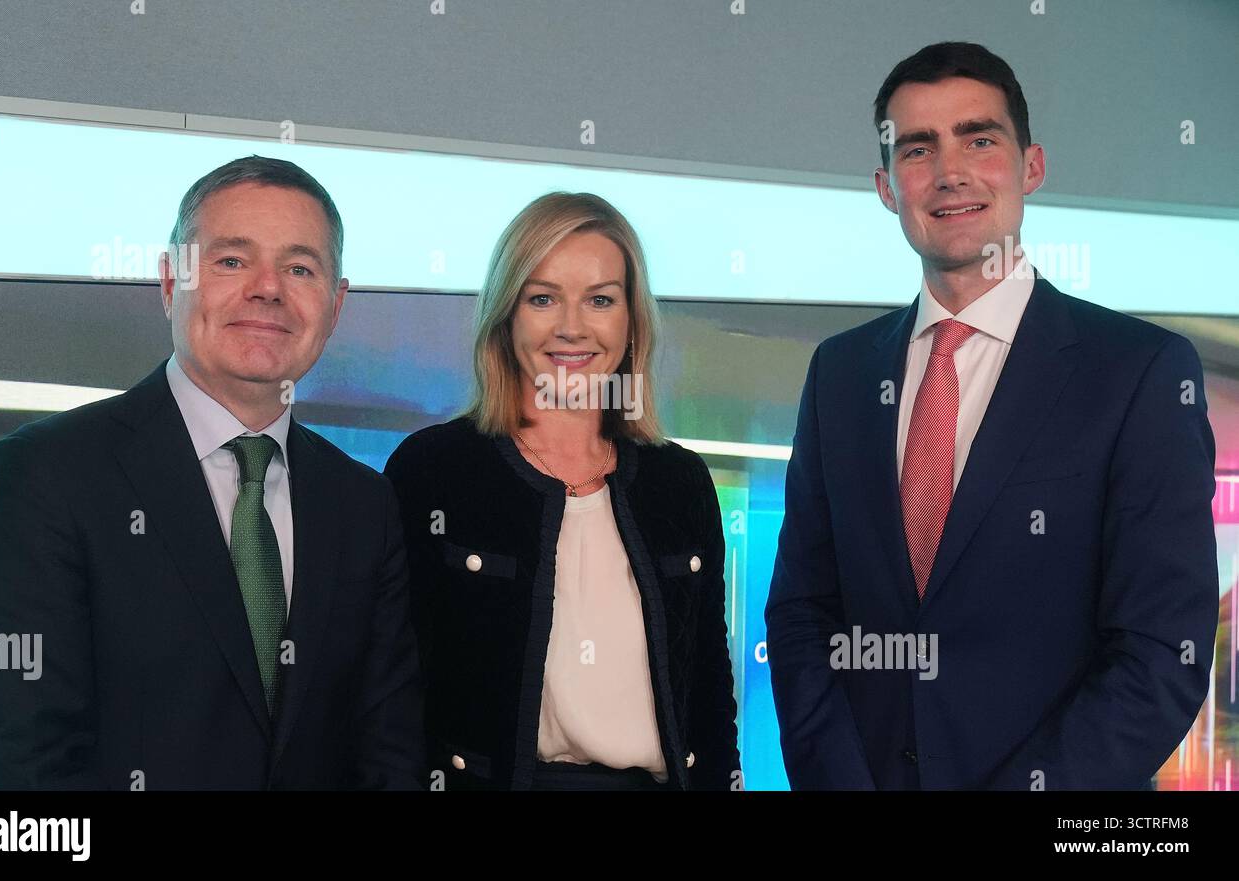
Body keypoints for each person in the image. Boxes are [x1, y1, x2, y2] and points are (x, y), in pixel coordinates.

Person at [766, 42, 1218, 790]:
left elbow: (1158, 653)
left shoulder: (1138, 371)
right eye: (918, 149)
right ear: (885, 186)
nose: (950, 173)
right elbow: (802, 617)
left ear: (1031, 165)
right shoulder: (841, 375)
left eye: (980, 139)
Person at [0, 156, 424, 789]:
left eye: (300, 267)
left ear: (335, 305)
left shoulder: (364, 503)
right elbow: (27, 773)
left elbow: (388, 753)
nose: (268, 289)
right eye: (231, 260)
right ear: (169, 282)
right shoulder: (43, 478)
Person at [385, 192, 740, 791]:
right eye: (543, 298)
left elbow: (710, 692)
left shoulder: (679, 482)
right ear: (508, 316)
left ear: (631, 323)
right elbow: (389, 691)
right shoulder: (434, 469)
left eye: (600, 300)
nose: (572, 327)